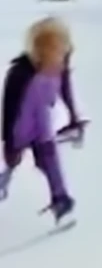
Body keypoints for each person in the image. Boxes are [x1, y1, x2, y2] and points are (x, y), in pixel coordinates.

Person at [0, 18, 83, 222]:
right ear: (40, 52)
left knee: (49, 161)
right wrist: (8, 140)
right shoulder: (21, 74)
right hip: (19, 127)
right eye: (55, 54)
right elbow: (8, 106)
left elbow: (66, 91)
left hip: (41, 128)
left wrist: (74, 118)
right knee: (11, 161)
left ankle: (60, 198)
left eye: (62, 54)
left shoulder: (59, 69)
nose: (60, 61)